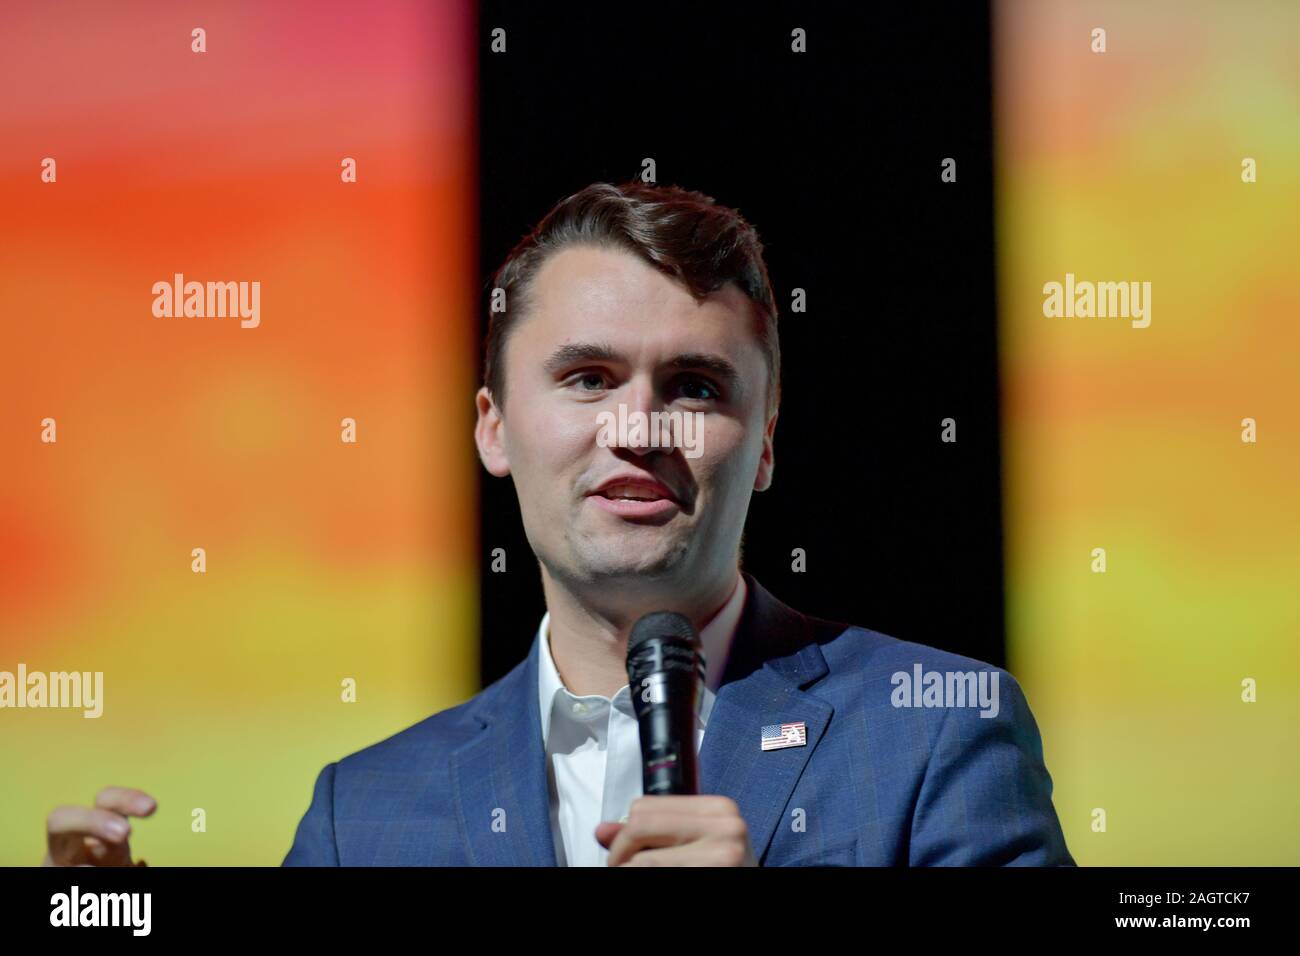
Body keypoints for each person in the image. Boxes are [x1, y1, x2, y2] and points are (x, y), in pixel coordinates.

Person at [43, 181, 1074, 867]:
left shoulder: (936, 733)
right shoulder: (364, 817)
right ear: (493, 427)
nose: (635, 426)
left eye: (695, 384)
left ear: (761, 444)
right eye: (586, 377)